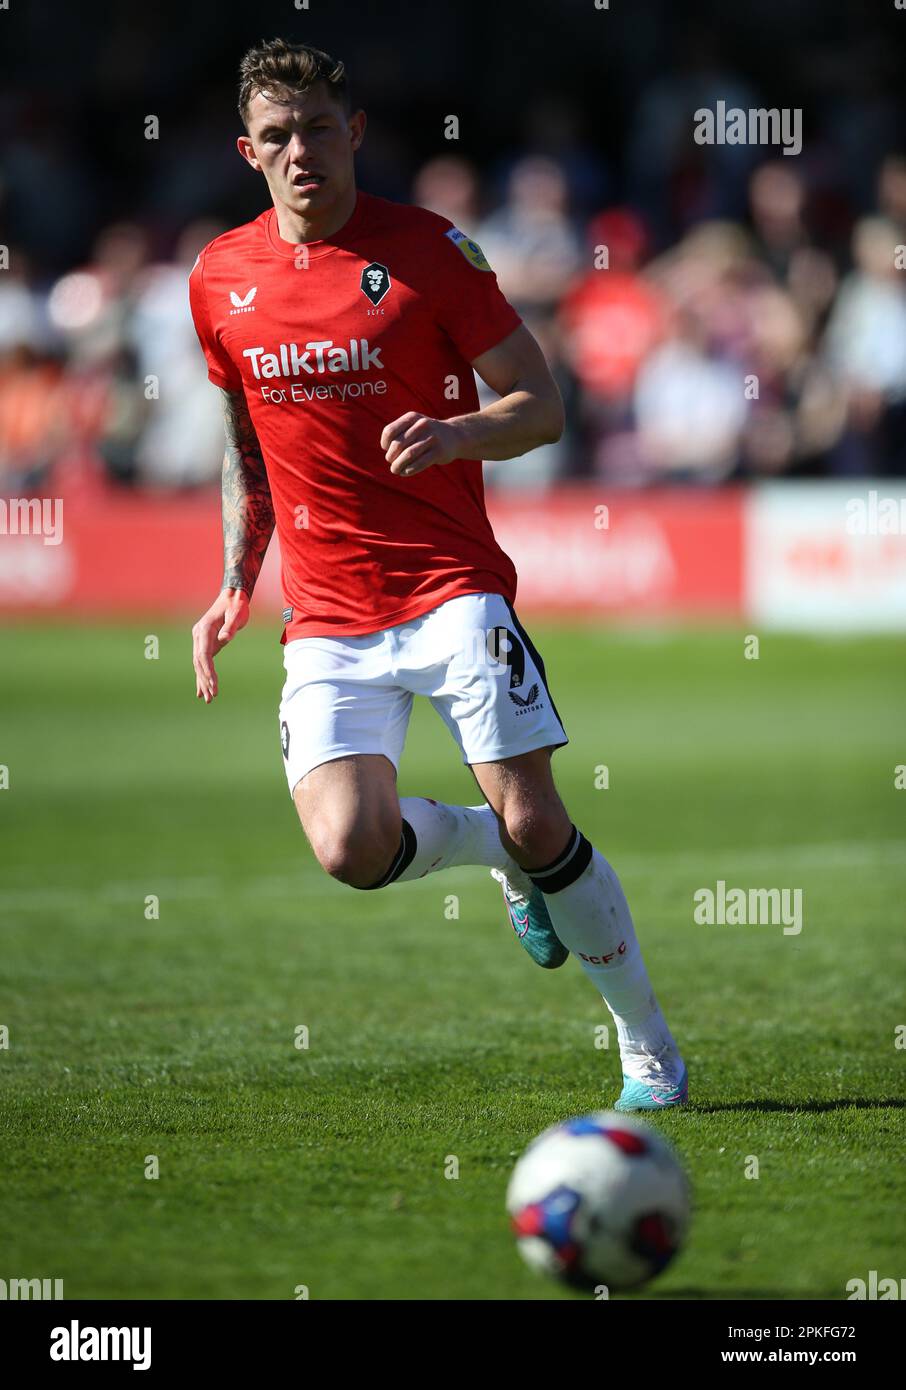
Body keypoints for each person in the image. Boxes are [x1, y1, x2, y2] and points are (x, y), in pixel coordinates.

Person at [188, 38, 686, 1110]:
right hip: (325, 614)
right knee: (350, 848)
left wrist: (460, 431)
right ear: (248, 151)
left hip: (452, 588)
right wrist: (238, 570)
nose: (301, 151)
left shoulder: (430, 252)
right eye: (277, 136)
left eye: (319, 127)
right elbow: (245, 435)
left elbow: (541, 405)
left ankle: (649, 1049)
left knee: (540, 823)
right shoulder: (218, 278)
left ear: (353, 131)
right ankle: (496, 862)